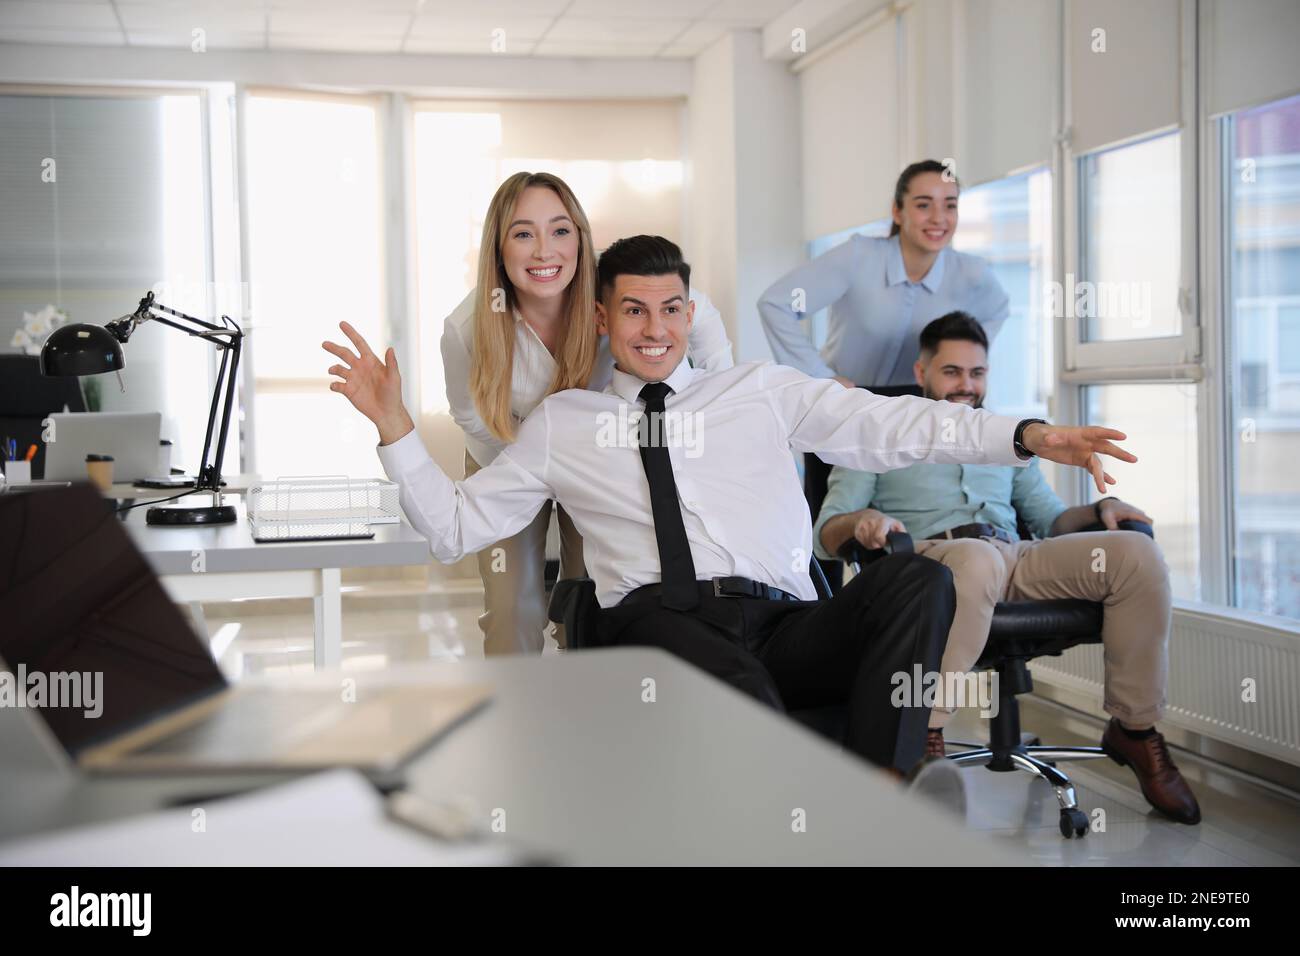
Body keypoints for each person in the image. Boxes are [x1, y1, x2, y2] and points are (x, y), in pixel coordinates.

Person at [322, 235, 1137, 775]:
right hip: (659, 623)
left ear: (690, 313)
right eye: (634, 310)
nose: (654, 329)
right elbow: (456, 526)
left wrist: (1027, 434)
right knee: (722, 674)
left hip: (784, 622)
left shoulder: (759, 392)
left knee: (921, 582)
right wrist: (394, 425)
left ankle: (881, 804)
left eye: (671, 309)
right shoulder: (562, 424)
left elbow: (895, 424)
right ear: (604, 317)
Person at [814, 311, 1200, 823]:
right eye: (952, 372)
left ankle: (1134, 729)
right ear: (922, 370)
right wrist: (862, 520)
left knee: (1136, 554)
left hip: (1011, 558)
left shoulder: (1007, 437)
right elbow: (826, 533)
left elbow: (1051, 520)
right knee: (975, 561)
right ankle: (922, 734)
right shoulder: (878, 433)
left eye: (977, 374)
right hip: (926, 564)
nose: (966, 385)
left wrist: (1099, 512)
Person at [436, 171, 733, 655]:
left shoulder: (614, 289)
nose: (544, 252)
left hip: (600, 456)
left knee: (592, 597)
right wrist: (535, 457)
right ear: (499, 245)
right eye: (523, 233)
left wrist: (721, 402)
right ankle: (520, 720)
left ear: (580, 236)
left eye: (559, 230)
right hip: (503, 458)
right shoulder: (466, 327)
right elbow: (469, 415)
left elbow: (697, 311)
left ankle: (589, 712)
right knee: (514, 609)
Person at [758, 159, 1010, 591]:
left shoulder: (973, 273)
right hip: (845, 408)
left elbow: (995, 314)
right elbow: (776, 303)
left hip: (920, 402)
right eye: (924, 205)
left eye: (950, 206)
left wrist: (956, 367)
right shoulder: (859, 257)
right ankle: (822, 637)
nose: (938, 218)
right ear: (897, 212)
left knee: (911, 519)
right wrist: (821, 377)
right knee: (830, 530)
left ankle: (914, 618)